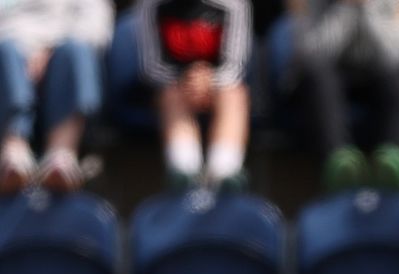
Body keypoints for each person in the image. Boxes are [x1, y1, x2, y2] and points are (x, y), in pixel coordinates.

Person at [288, 0, 399, 192]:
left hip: (378, 73)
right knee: (318, 77)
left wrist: (368, 8)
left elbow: (397, 56)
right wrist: (346, 7)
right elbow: (311, 54)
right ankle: (338, 163)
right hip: (328, 75)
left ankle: (396, 163)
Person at [135, 0, 252, 191]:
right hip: (173, 85)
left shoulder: (235, 4)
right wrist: (187, 81)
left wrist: (207, 81)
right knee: (171, 95)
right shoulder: (149, 5)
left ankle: (223, 173)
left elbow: (236, 65)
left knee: (235, 95)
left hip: (220, 86)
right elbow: (150, 66)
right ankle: (184, 171)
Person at [0, 0, 112, 193]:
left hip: (63, 63)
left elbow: (97, 28)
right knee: (6, 52)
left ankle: (62, 155)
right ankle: (13, 153)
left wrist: (49, 51)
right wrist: (28, 54)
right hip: (15, 61)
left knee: (77, 51)